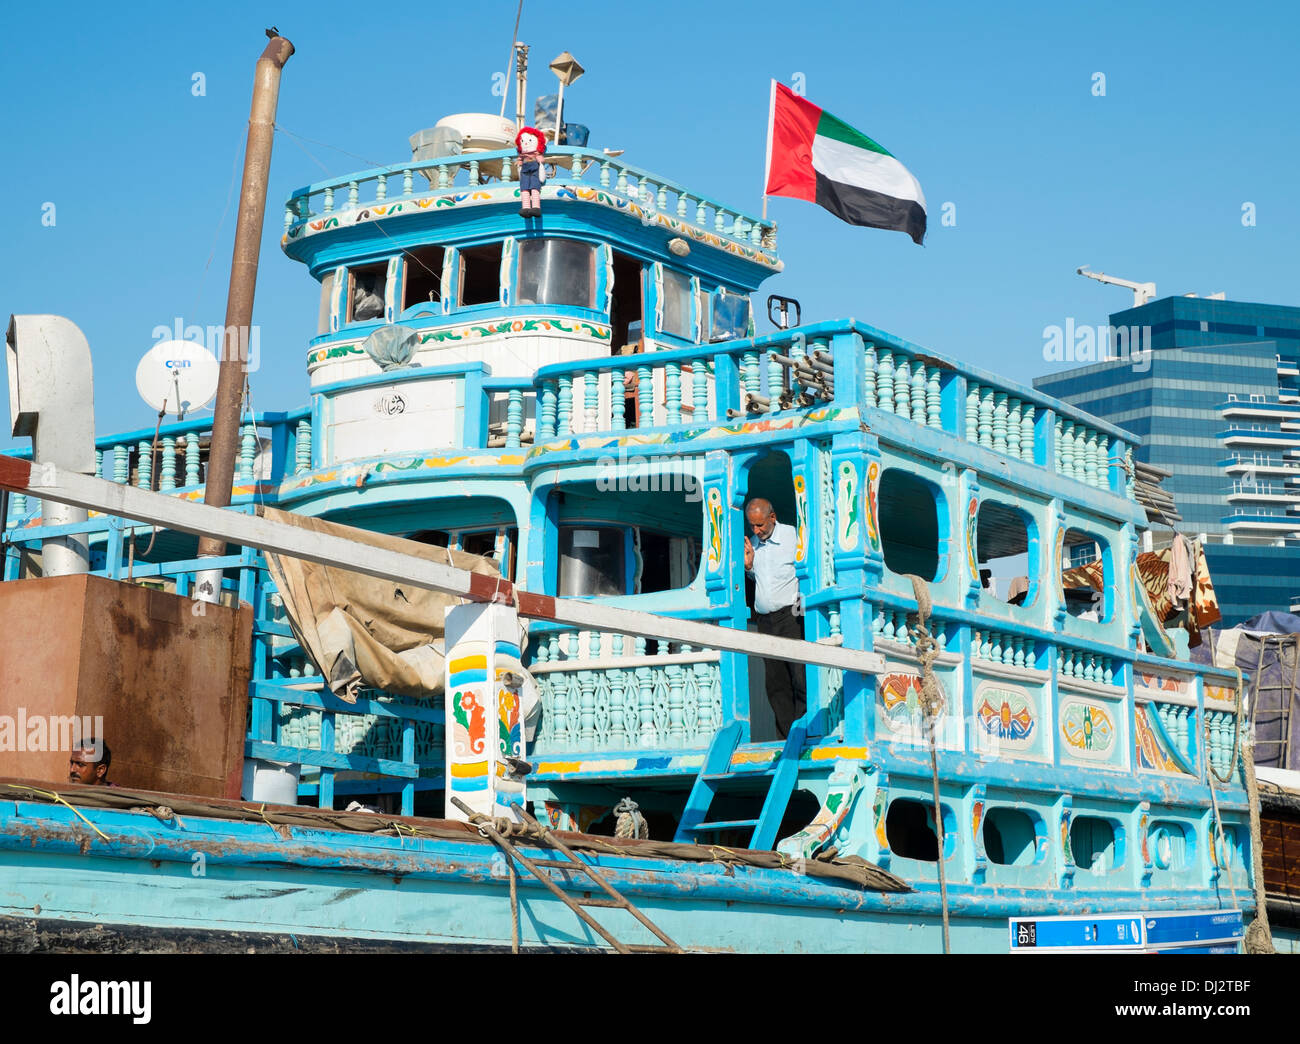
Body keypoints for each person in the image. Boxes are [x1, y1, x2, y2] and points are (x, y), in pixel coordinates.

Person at [743, 498, 806, 739]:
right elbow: (760, 580)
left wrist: (803, 610)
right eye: (752, 526)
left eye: (760, 525)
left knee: (799, 676)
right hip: (765, 619)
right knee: (775, 682)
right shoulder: (754, 546)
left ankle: (803, 734)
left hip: (792, 614)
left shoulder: (793, 537)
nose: (756, 531)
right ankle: (785, 737)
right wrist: (749, 566)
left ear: (772, 517)